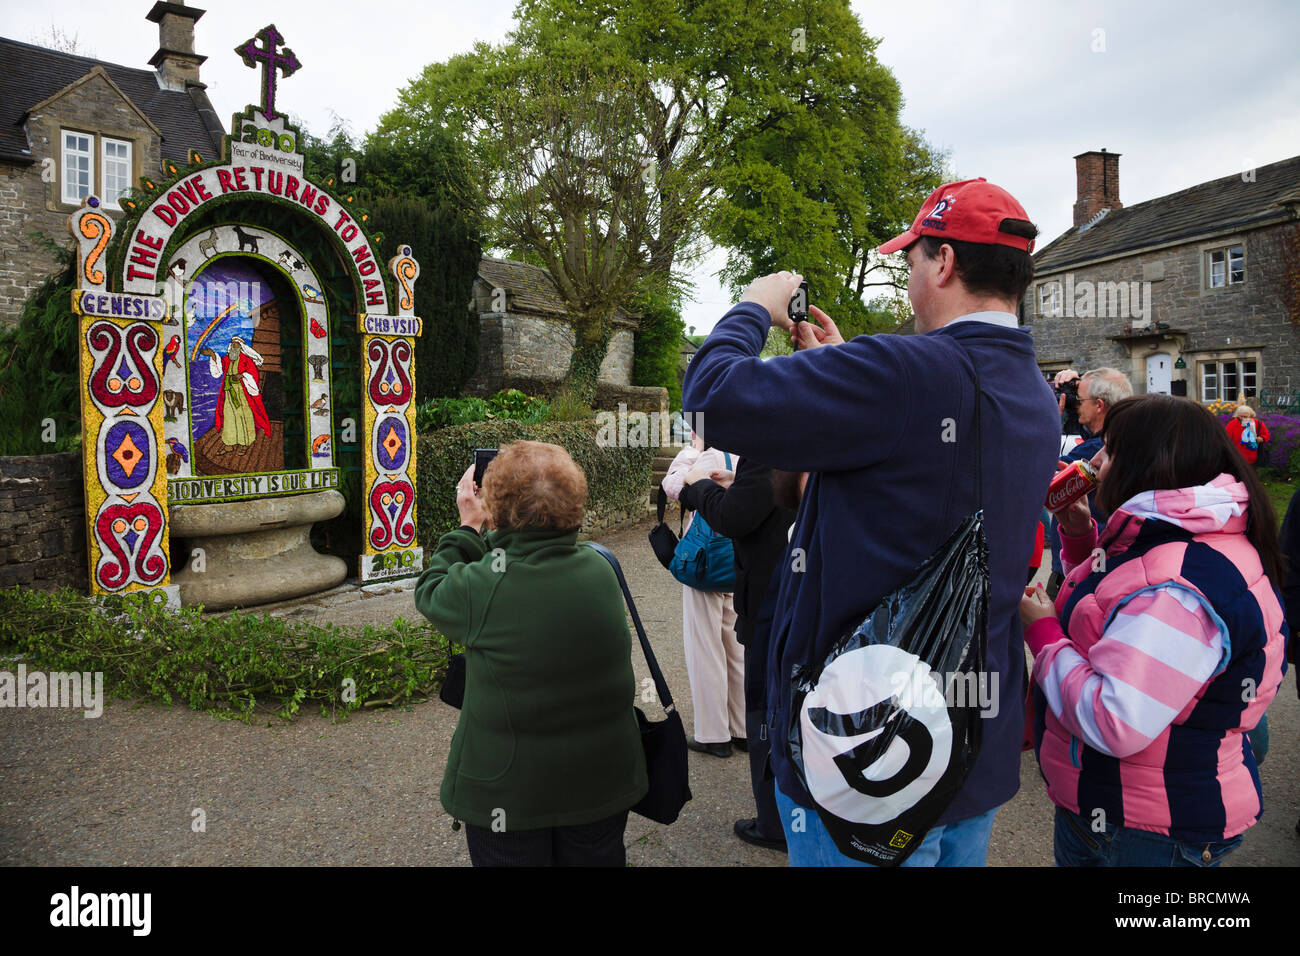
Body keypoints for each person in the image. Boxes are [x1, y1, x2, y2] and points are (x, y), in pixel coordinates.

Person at [682, 177, 1060, 866]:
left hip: (868, 757)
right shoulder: (1031, 385)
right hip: (968, 747)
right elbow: (920, 465)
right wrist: (834, 373)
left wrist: (750, 309)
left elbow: (710, 400)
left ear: (942, 263)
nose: (909, 279)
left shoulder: (906, 370)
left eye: (911, 262)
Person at [1020, 395, 1287, 867]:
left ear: (1150, 461)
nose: (1094, 462)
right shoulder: (1181, 534)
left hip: (1145, 826)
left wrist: (1043, 636)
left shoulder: (1177, 591)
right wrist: (1081, 537)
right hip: (1126, 806)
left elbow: (1113, 719)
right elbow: (1116, 608)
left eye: (1111, 450)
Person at [413, 441, 648, 866]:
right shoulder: (601, 568)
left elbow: (431, 591)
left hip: (510, 798)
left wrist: (468, 527)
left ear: (496, 507)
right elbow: (524, 560)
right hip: (601, 785)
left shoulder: (483, 586)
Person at [679, 458, 797, 851]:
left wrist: (699, 486)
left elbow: (733, 519)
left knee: (765, 706)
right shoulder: (811, 429)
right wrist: (737, 483)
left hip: (770, 596)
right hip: (794, 590)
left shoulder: (768, 439)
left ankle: (774, 823)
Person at [662, 435, 745, 758]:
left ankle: (713, 734)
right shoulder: (747, 456)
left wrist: (691, 449)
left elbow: (673, 485)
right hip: (737, 561)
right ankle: (743, 729)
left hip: (706, 562)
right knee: (736, 648)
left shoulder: (708, 458)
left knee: (705, 649)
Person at [1046, 368, 1133, 597]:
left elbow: (1036, 478)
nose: (1076, 404)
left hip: (1081, 569)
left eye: (1080, 399)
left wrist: (1047, 424)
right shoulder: (1125, 441)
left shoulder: (1095, 452)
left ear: (1099, 406)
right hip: (1102, 563)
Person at [202, 337, 271, 448]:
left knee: (244, 415)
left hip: (242, 392)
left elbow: (253, 375)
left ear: (241, 347)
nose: (234, 346)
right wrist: (212, 355)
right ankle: (229, 443)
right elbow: (219, 370)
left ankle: (246, 443)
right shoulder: (227, 359)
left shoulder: (246, 360)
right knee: (229, 415)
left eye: (237, 345)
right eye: (233, 344)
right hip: (228, 392)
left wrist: (242, 375)